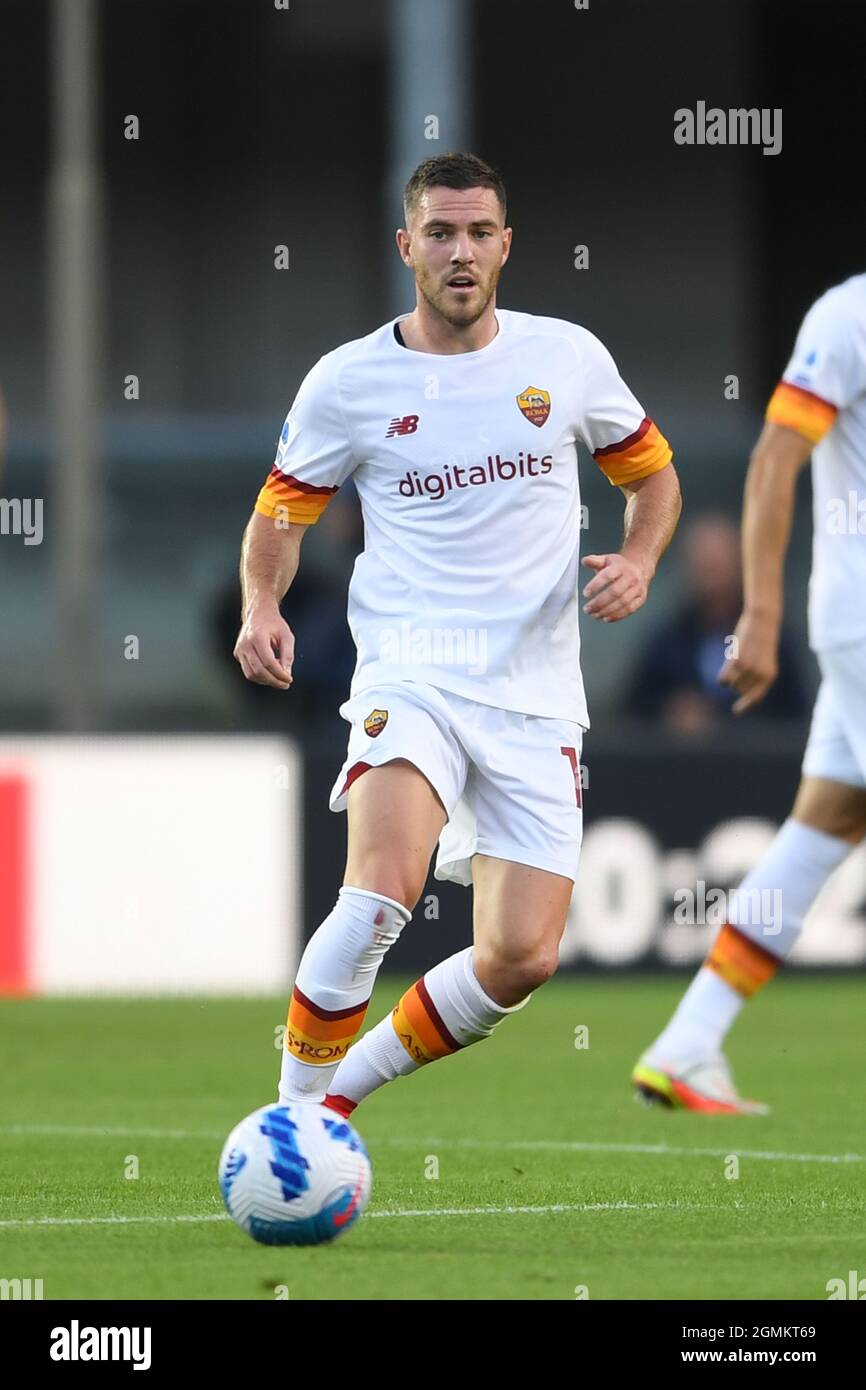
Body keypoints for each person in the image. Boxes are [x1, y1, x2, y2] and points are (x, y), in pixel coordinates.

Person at [234, 151, 680, 1118]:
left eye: (479, 233)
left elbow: (653, 478)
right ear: (408, 248)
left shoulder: (565, 358)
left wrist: (640, 560)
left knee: (523, 956)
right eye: (440, 233)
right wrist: (261, 605)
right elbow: (281, 516)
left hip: (536, 694)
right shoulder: (347, 381)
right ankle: (292, 1118)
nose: (461, 252)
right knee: (381, 891)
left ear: (507, 246)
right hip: (413, 673)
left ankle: (335, 1101)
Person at [633, 272, 866, 1114]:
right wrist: (759, 614)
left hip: (851, 625)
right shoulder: (848, 315)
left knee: (828, 821)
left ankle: (689, 1043)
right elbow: (775, 456)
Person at [624, 513, 807, 730]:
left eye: (717, 565)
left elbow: (792, 715)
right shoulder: (667, 640)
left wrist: (724, 720)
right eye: (702, 566)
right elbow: (632, 711)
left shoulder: (769, 638)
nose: (710, 576)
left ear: (740, 565)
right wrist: (670, 712)